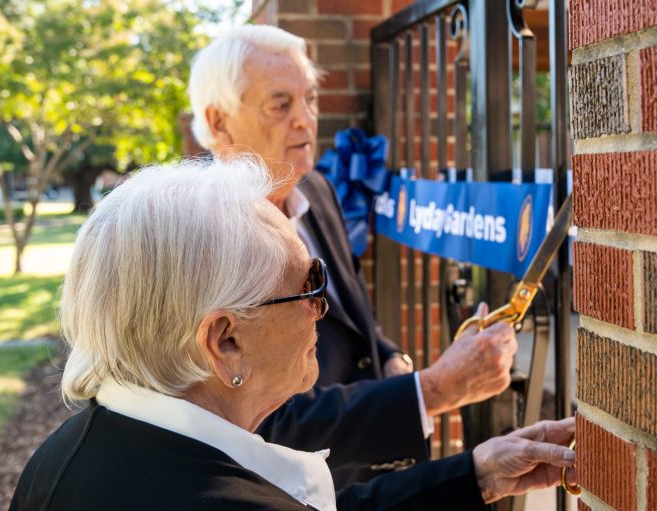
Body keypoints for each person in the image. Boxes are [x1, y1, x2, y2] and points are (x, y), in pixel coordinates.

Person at [10, 159, 577, 510]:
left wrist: (474, 475)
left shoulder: (73, 452)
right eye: (308, 285)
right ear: (224, 340)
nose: (321, 309)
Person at [188, 24, 519, 485]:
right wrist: (435, 390)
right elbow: (260, 419)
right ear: (219, 120)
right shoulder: (199, 237)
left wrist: (389, 356)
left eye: (311, 100)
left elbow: (351, 308)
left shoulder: (317, 190)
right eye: (281, 104)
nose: (305, 119)